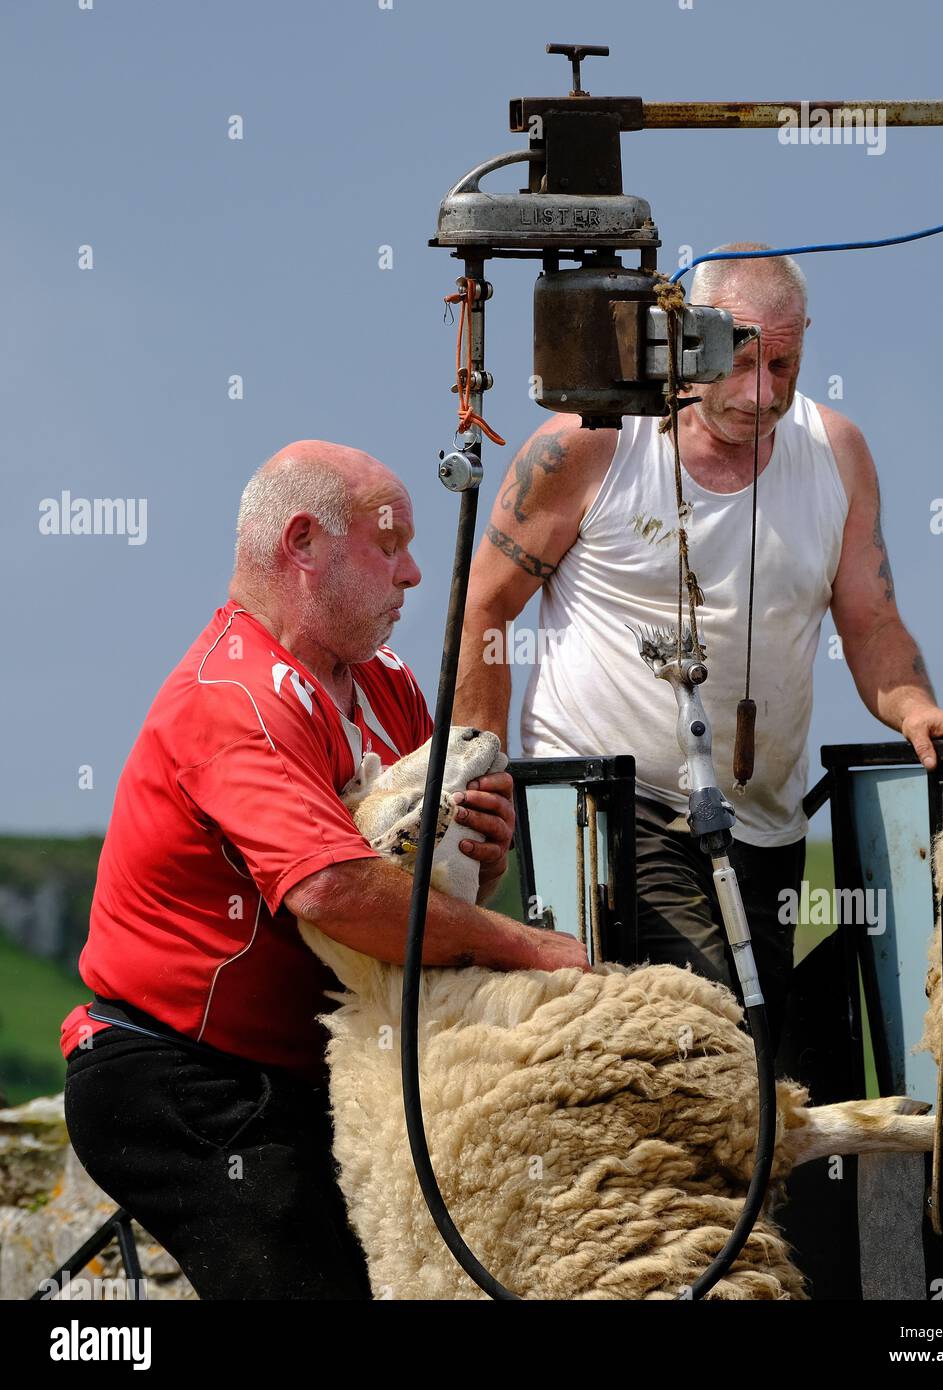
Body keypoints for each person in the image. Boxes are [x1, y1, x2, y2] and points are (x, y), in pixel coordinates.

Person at [60, 440, 588, 1301]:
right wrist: (536, 950)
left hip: (303, 1069)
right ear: (302, 544)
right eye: (390, 546)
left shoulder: (385, 686)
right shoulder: (228, 697)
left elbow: (412, 896)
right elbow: (334, 888)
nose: (414, 575)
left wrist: (477, 860)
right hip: (178, 1073)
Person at [453, 245, 943, 1051]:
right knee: (709, 1036)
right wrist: (482, 775)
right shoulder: (594, 441)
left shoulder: (836, 454)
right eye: (739, 360)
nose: (763, 392)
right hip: (611, 809)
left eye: (785, 363)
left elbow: (870, 621)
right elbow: (484, 601)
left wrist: (914, 705)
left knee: (754, 1066)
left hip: (765, 824)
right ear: (684, 338)